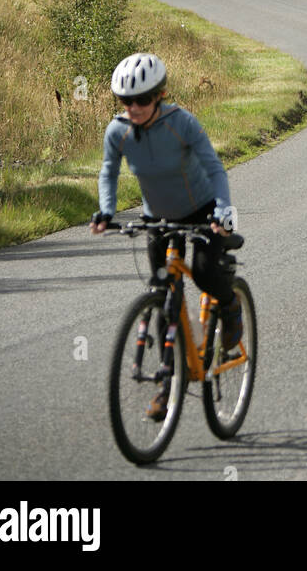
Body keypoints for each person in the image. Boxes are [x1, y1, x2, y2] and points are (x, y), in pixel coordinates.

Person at [90, 53, 243, 419]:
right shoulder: (118, 131)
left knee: (206, 275)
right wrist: (107, 210)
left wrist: (222, 210)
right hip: (156, 215)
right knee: (163, 297)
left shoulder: (182, 124)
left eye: (143, 99)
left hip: (202, 209)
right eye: (127, 101)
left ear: (160, 95)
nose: (135, 108)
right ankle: (167, 383)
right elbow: (108, 172)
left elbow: (214, 167)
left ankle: (232, 306)